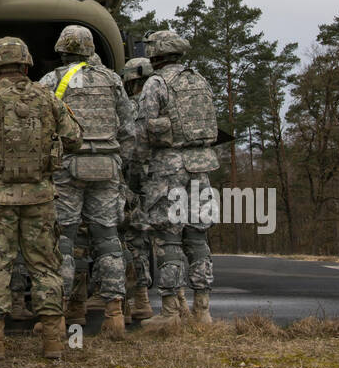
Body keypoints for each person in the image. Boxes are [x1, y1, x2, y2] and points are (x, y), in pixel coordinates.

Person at [0, 37, 82, 360]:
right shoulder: (47, 97)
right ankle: (53, 340)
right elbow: (75, 137)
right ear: (26, 65)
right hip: (40, 197)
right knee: (46, 266)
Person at [38, 25, 137, 339]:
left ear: (62, 48)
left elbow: (39, 126)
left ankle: (59, 313)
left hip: (68, 166)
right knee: (108, 240)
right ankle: (115, 313)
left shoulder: (52, 81)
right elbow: (129, 130)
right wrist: (120, 163)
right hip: (106, 165)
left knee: (63, 242)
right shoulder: (112, 80)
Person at [137, 30, 219, 329]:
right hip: (201, 165)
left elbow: (143, 129)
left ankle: (170, 313)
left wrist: (142, 167)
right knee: (198, 237)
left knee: (168, 237)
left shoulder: (156, 83)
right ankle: (203, 311)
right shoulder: (200, 80)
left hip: (169, 166)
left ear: (156, 53)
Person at [121, 56, 155, 321]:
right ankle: (142, 298)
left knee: (119, 240)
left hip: (128, 182)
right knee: (143, 241)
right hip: (156, 181)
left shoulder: (128, 107)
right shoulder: (159, 105)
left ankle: (122, 298)